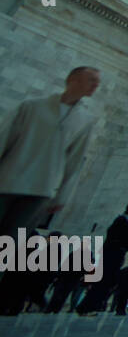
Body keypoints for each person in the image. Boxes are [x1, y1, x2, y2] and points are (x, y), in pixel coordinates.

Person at [0, 67, 100, 239]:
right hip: (8, 180)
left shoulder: (86, 120)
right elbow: (4, 139)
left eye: (97, 82)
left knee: (11, 241)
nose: (96, 85)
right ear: (73, 80)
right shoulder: (32, 106)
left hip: (42, 189)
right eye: (91, 79)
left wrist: (62, 196)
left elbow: (74, 160)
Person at [75, 201, 128, 314]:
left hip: (119, 253)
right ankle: (86, 307)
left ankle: (89, 306)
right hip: (111, 252)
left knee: (108, 281)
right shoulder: (121, 220)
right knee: (104, 280)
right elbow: (116, 235)